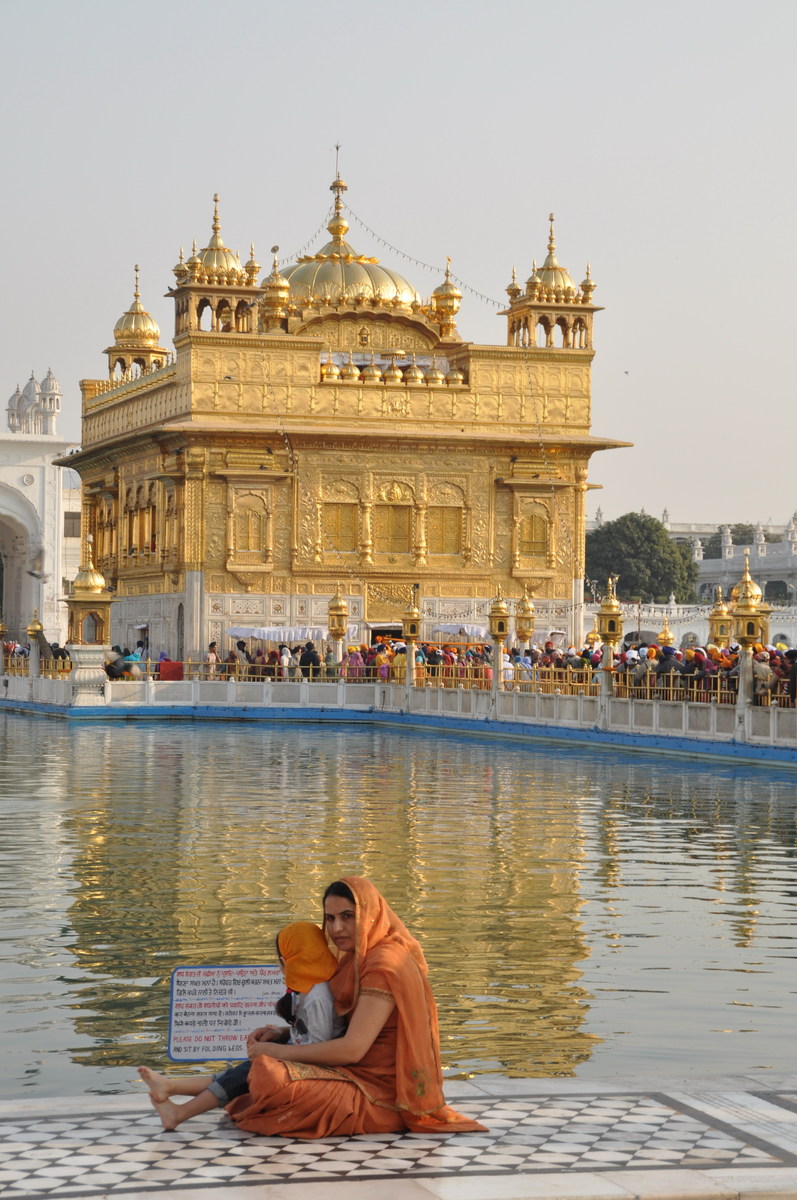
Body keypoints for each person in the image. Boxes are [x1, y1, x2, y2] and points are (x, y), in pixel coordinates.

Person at [141, 877, 486, 1138]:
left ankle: (180, 1098)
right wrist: (282, 1033)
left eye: (348, 916)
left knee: (267, 1073)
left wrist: (276, 1051)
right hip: (348, 1075)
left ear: (369, 915)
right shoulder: (355, 958)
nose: (336, 929)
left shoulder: (384, 964)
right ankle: (177, 1092)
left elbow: (352, 1049)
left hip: (377, 1093)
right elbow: (337, 1026)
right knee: (263, 1070)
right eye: (330, 918)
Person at [139, 922, 345, 1124]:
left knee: (245, 1074)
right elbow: (306, 1033)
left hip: (313, 1067)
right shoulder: (307, 986)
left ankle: (179, 1113)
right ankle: (171, 1087)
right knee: (240, 1072)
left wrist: (274, 1052)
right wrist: (279, 1034)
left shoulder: (318, 995)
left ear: (284, 962)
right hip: (297, 1055)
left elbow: (319, 1048)